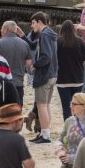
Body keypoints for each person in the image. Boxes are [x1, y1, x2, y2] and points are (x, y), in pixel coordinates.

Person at [29, 12, 59, 144]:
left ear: (39, 22)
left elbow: (46, 56)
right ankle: (44, 133)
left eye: (33, 23)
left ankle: (45, 135)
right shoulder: (51, 34)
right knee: (45, 106)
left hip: (44, 75)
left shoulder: (44, 35)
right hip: (52, 74)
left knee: (41, 106)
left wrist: (35, 65)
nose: (32, 26)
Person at [56, 20, 85, 122]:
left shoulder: (58, 41)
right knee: (77, 106)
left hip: (62, 80)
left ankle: (68, 127)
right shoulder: (80, 41)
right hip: (77, 79)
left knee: (66, 107)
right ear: (73, 29)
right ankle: (78, 126)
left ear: (62, 29)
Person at [0, 20, 31, 103]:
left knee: (3, 108)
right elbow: (28, 63)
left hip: (2, 83)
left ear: (5, 29)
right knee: (17, 107)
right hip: (18, 83)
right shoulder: (25, 44)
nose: (1, 30)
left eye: (2, 28)